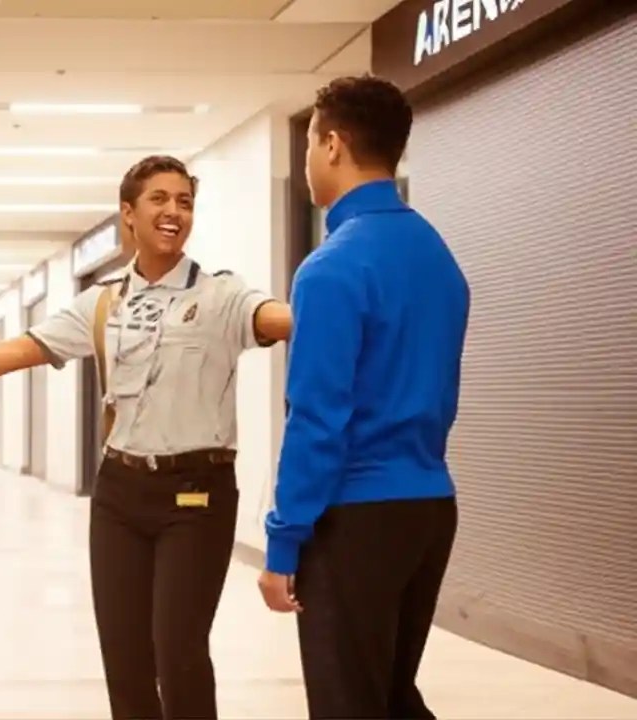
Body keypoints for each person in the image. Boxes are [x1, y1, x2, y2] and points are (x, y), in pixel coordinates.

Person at [0, 155, 292, 720]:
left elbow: (286, 319)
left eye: (184, 202)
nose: (173, 212)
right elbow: (18, 350)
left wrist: (358, 304)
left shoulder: (221, 297)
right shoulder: (103, 302)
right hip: (118, 495)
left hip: (196, 496)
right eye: (159, 199)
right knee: (125, 657)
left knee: (178, 653)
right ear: (128, 214)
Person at [258, 75, 470, 719]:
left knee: (349, 702)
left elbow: (317, 419)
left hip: (355, 518)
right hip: (429, 510)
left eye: (309, 145)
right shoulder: (438, 255)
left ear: (332, 145)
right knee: (391, 696)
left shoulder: (332, 266)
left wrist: (283, 540)